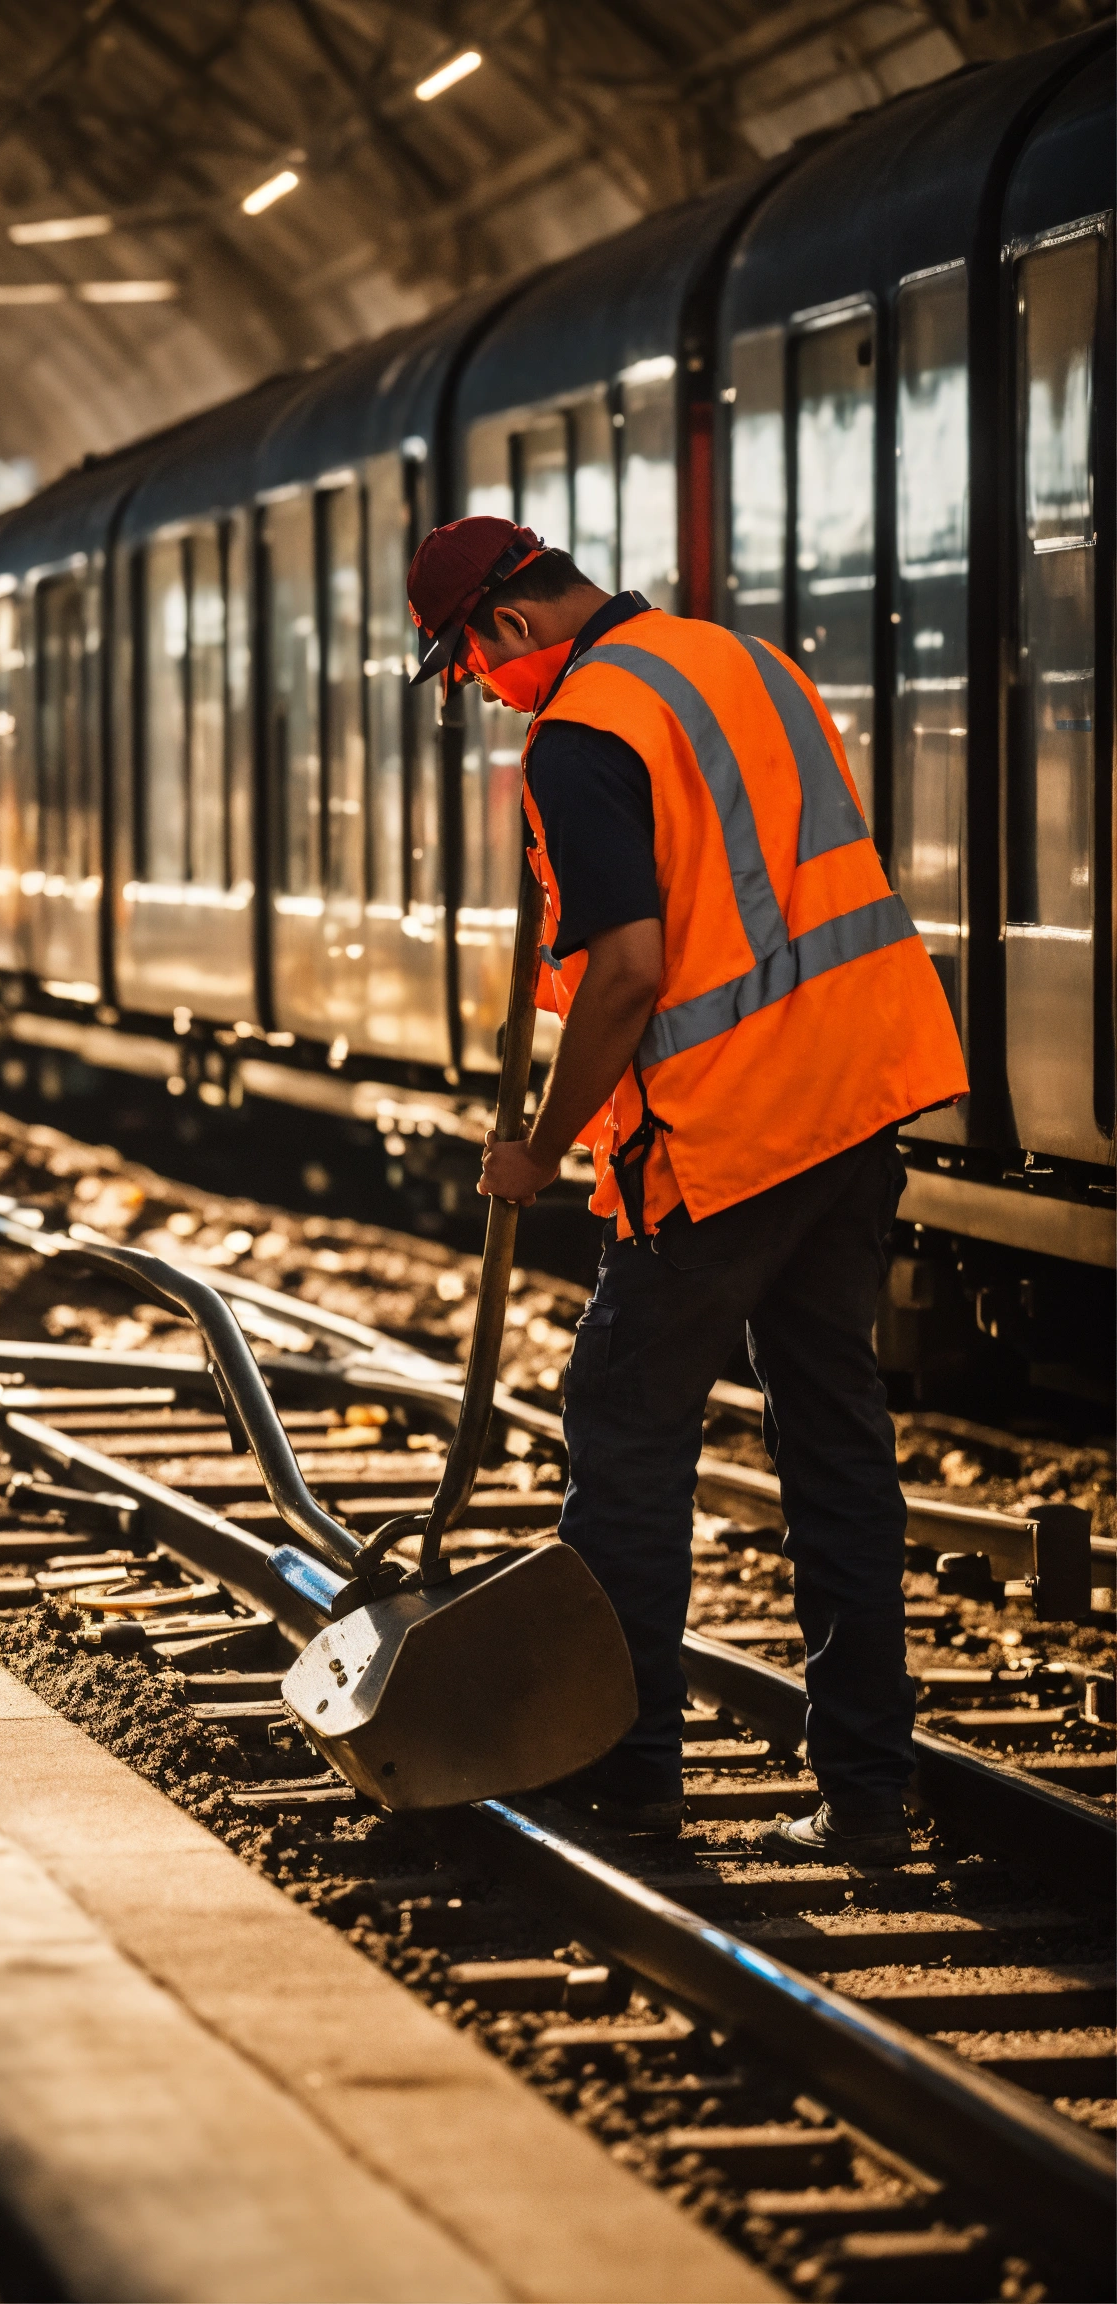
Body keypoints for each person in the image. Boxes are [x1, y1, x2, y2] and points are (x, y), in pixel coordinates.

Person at [406, 517, 967, 1867]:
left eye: (475, 669)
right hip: (858, 1096)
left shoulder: (586, 731)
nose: (486, 694)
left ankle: (629, 1772)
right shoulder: (743, 663)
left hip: (732, 1124)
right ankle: (869, 1797)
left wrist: (539, 1150)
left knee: (623, 1424)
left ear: (510, 629)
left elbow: (633, 966)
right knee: (837, 1440)